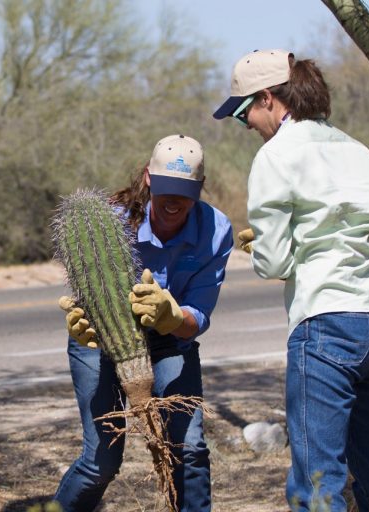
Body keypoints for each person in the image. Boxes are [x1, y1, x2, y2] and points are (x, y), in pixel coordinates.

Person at [213, 50, 369, 511]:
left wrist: (265, 246)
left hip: (327, 325)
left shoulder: (275, 156)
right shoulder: (358, 149)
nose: (246, 125)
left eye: (244, 112)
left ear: (268, 98)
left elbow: (274, 262)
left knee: (317, 484)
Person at [54, 134, 234, 512]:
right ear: (149, 178)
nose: (174, 200)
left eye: (185, 191)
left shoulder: (215, 230)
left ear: (200, 187)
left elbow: (198, 315)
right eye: (166, 187)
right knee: (100, 462)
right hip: (101, 339)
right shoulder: (110, 221)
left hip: (169, 338)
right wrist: (82, 321)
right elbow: (88, 291)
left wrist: (172, 316)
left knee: (190, 448)